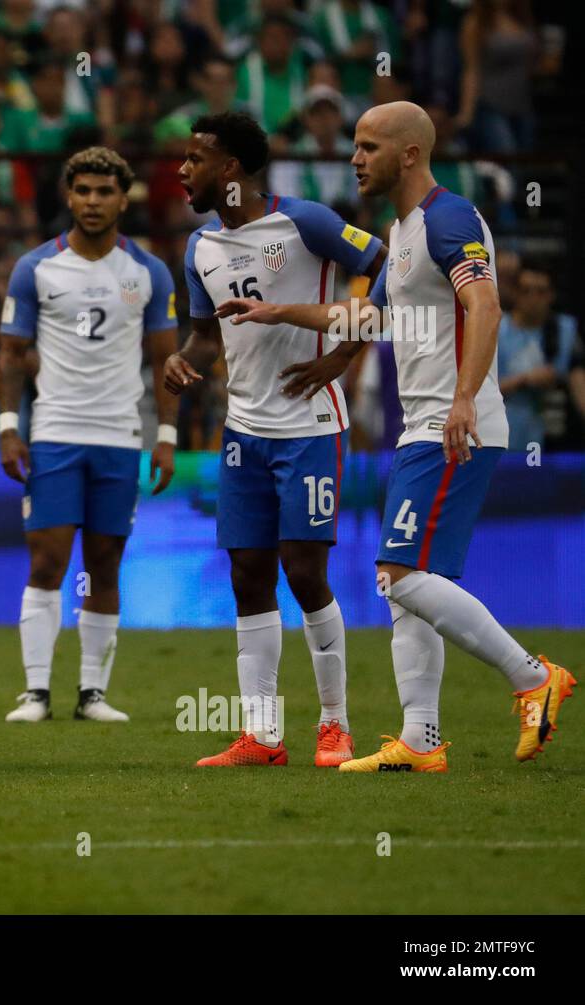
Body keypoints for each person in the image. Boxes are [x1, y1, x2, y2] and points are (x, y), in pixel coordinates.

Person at [217, 101, 573, 772]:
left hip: (451, 423)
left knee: (398, 574)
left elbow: (486, 304)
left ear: (408, 154)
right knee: (412, 583)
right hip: (425, 425)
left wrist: (464, 398)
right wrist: (277, 311)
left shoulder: (449, 218)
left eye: (368, 146)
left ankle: (532, 676)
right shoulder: (405, 230)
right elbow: (358, 315)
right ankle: (421, 737)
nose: (355, 158)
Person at [165, 111, 387, 768]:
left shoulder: (307, 221)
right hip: (244, 433)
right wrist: (186, 361)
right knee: (248, 574)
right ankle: (262, 734)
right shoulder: (199, 247)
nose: (182, 169)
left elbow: (380, 264)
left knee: (304, 571)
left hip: (310, 428)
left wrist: (343, 353)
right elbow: (207, 334)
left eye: (194, 158)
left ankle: (335, 724)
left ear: (230, 168)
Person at [0, 146, 178, 725]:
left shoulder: (147, 272)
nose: (93, 202)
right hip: (54, 432)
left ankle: (92, 693)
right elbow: (10, 353)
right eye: (84, 191)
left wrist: (167, 432)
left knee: (105, 563)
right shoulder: (35, 268)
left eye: (104, 192)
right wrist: (7, 428)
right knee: (47, 561)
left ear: (124, 199)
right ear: (68, 197)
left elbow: (164, 361)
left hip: (121, 436)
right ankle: (35, 692)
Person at [496, 264, 576, 452]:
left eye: (540, 291)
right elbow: (481, 391)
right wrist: (524, 380)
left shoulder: (564, 330)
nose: (533, 299)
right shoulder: (496, 330)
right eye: (526, 291)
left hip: (549, 434)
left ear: (551, 295)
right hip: (503, 432)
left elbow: (577, 378)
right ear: (515, 293)